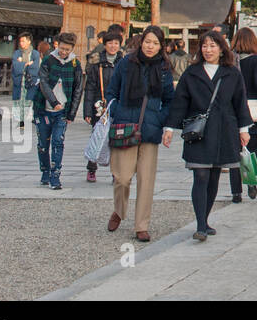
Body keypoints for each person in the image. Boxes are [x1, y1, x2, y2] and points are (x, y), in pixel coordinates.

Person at [163, 30, 251, 242]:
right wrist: (169, 129)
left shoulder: (232, 73)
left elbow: (240, 101)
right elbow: (180, 103)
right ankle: (200, 224)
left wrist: (244, 129)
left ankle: (206, 219)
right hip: (199, 131)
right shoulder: (192, 73)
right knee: (200, 175)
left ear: (222, 49)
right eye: (204, 46)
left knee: (213, 176)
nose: (208, 50)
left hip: (223, 129)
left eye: (213, 46)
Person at [103, 25, 174, 243]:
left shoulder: (163, 68)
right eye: (147, 42)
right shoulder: (126, 63)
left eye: (155, 43)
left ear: (161, 46)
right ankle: (119, 210)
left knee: (146, 180)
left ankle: (141, 225)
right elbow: (112, 91)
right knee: (122, 178)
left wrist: (163, 122)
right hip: (125, 126)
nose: (150, 46)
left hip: (150, 129)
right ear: (141, 42)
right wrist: (116, 110)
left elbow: (170, 99)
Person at [32, 32, 82, 191]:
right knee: (43, 144)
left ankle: (56, 175)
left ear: (72, 48)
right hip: (43, 108)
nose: (64, 52)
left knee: (58, 142)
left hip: (62, 111)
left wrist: (72, 113)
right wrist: (54, 102)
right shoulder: (48, 60)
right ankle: (45, 171)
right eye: (62, 48)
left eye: (67, 49)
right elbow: (43, 83)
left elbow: (78, 88)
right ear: (56, 44)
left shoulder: (75, 63)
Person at [229, 27, 257, 203]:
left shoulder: (230, 60)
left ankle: (236, 192)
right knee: (251, 148)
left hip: (233, 108)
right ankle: (250, 181)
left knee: (234, 151)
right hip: (253, 109)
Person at [82, 29, 125, 183]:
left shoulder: (124, 62)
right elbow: (90, 88)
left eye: (116, 43)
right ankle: (91, 168)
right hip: (100, 105)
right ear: (105, 45)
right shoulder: (97, 63)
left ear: (120, 45)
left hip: (118, 106)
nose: (113, 46)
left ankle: (115, 172)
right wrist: (87, 110)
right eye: (110, 43)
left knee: (117, 139)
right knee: (98, 136)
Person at [10, 32, 39, 132]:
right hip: (19, 81)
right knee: (18, 101)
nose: (21, 43)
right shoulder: (17, 53)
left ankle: (28, 119)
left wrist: (22, 63)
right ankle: (20, 121)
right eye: (20, 41)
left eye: (23, 41)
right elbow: (15, 65)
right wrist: (26, 64)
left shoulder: (35, 53)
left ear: (29, 41)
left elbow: (35, 66)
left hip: (30, 81)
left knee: (28, 101)